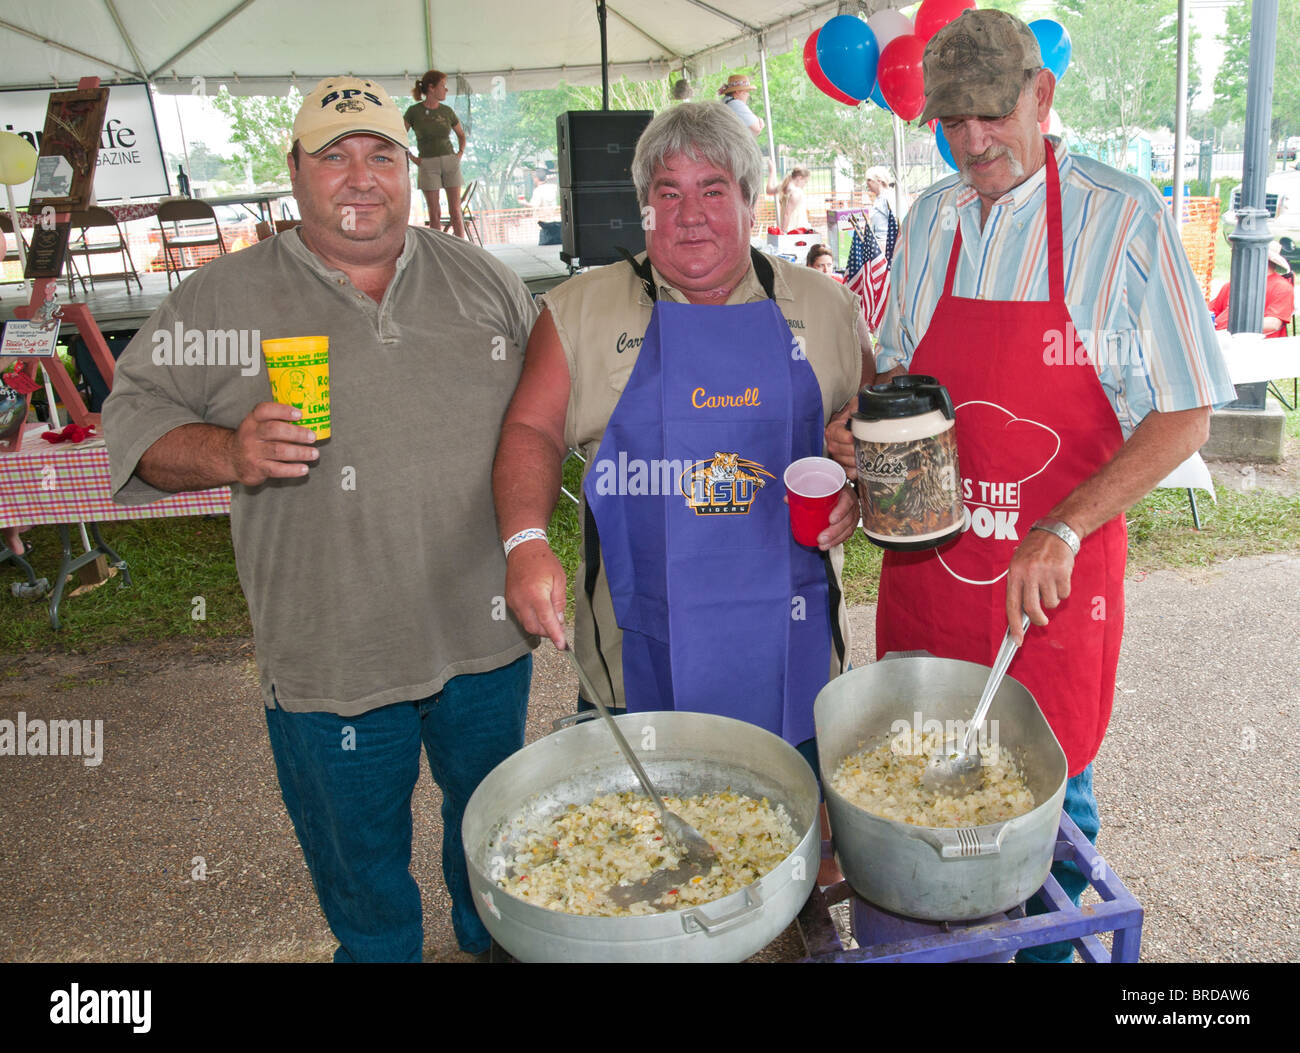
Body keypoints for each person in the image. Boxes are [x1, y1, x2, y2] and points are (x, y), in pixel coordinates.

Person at [102, 76, 538, 962]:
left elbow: (559, 408)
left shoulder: (485, 280)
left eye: (381, 155)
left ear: (409, 169)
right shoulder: (219, 299)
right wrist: (228, 452)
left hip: (485, 639)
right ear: (295, 170)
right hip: (331, 656)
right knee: (362, 880)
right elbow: (133, 424)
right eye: (334, 156)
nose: (360, 177)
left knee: (497, 841)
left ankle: (491, 942)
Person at [855, 9, 1235, 960]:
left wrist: (1063, 524)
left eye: (993, 114)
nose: (974, 141)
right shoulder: (931, 217)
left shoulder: (1122, 217)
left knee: (1046, 818)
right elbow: (897, 370)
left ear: (1042, 94)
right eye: (953, 121)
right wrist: (866, 431)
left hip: (1050, 591)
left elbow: (1187, 411)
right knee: (922, 809)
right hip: (935, 581)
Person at [494, 101, 871, 773]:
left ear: (751, 201)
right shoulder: (579, 311)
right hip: (635, 661)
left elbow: (866, 433)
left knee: (797, 831)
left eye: (713, 191)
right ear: (643, 207)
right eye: (668, 193)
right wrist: (525, 542)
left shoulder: (826, 307)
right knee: (645, 837)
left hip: (796, 657)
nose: (689, 215)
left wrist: (858, 489)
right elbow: (531, 428)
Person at [404, 69, 468, 237]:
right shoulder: (413, 111)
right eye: (443, 85)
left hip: (450, 161)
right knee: (434, 213)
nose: (446, 89)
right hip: (427, 164)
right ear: (431, 88)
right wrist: (412, 157)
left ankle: (461, 246)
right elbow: (400, 135)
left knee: (456, 211)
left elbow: (461, 135)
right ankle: (437, 248)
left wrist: (459, 154)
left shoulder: (447, 111)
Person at [1208, 242, 1295, 337]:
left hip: (1253, 343)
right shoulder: (1233, 285)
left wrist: (1230, 330)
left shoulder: (1281, 287)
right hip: (1220, 339)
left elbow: (1273, 324)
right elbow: (1209, 312)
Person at [864, 165, 898, 264]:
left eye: (869, 180)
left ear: (879, 180)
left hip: (885, 244)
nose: (867, 183)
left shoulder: (888, 198)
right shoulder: (879, 199)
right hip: (878, 243)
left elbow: (896, 221)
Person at [769, 165, 811, 231]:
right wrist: (784, 232)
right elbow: (787, 214)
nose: (804, 185)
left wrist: (771, 172)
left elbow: (769, 190)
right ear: (799, 178)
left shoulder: (783, 186)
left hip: (790, 229)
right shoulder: (796, 192)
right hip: (796, 230)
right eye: (805, 182)